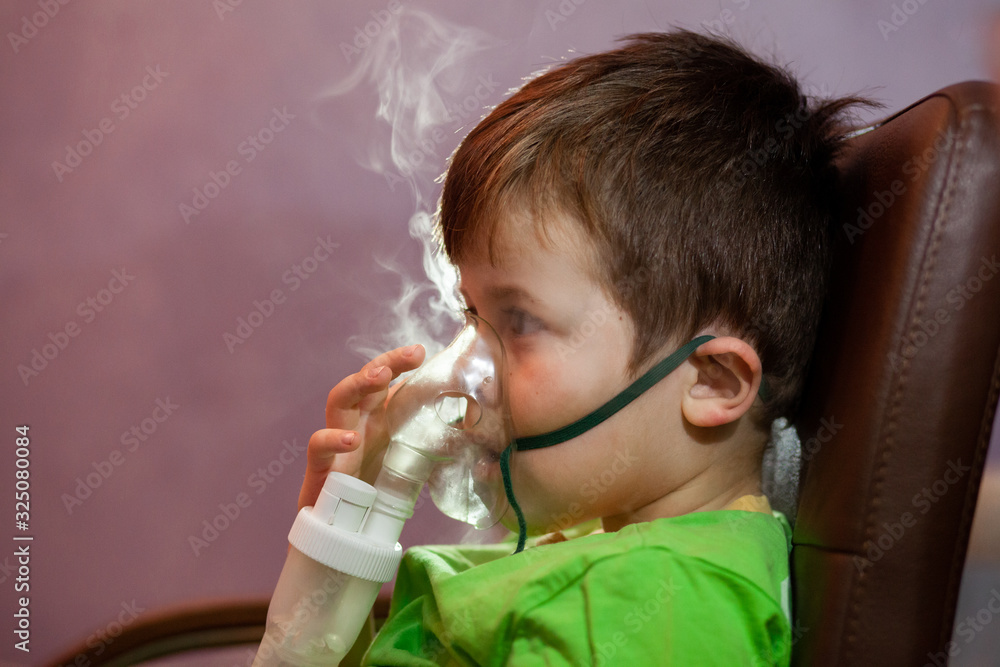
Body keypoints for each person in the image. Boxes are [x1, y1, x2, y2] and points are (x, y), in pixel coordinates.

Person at [299, 29, 866, 665]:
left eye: (520, 321)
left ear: (712, 380)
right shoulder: (600, 554)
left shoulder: (657, 605)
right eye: (472, 316)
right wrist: (338, 543)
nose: (465, 375)